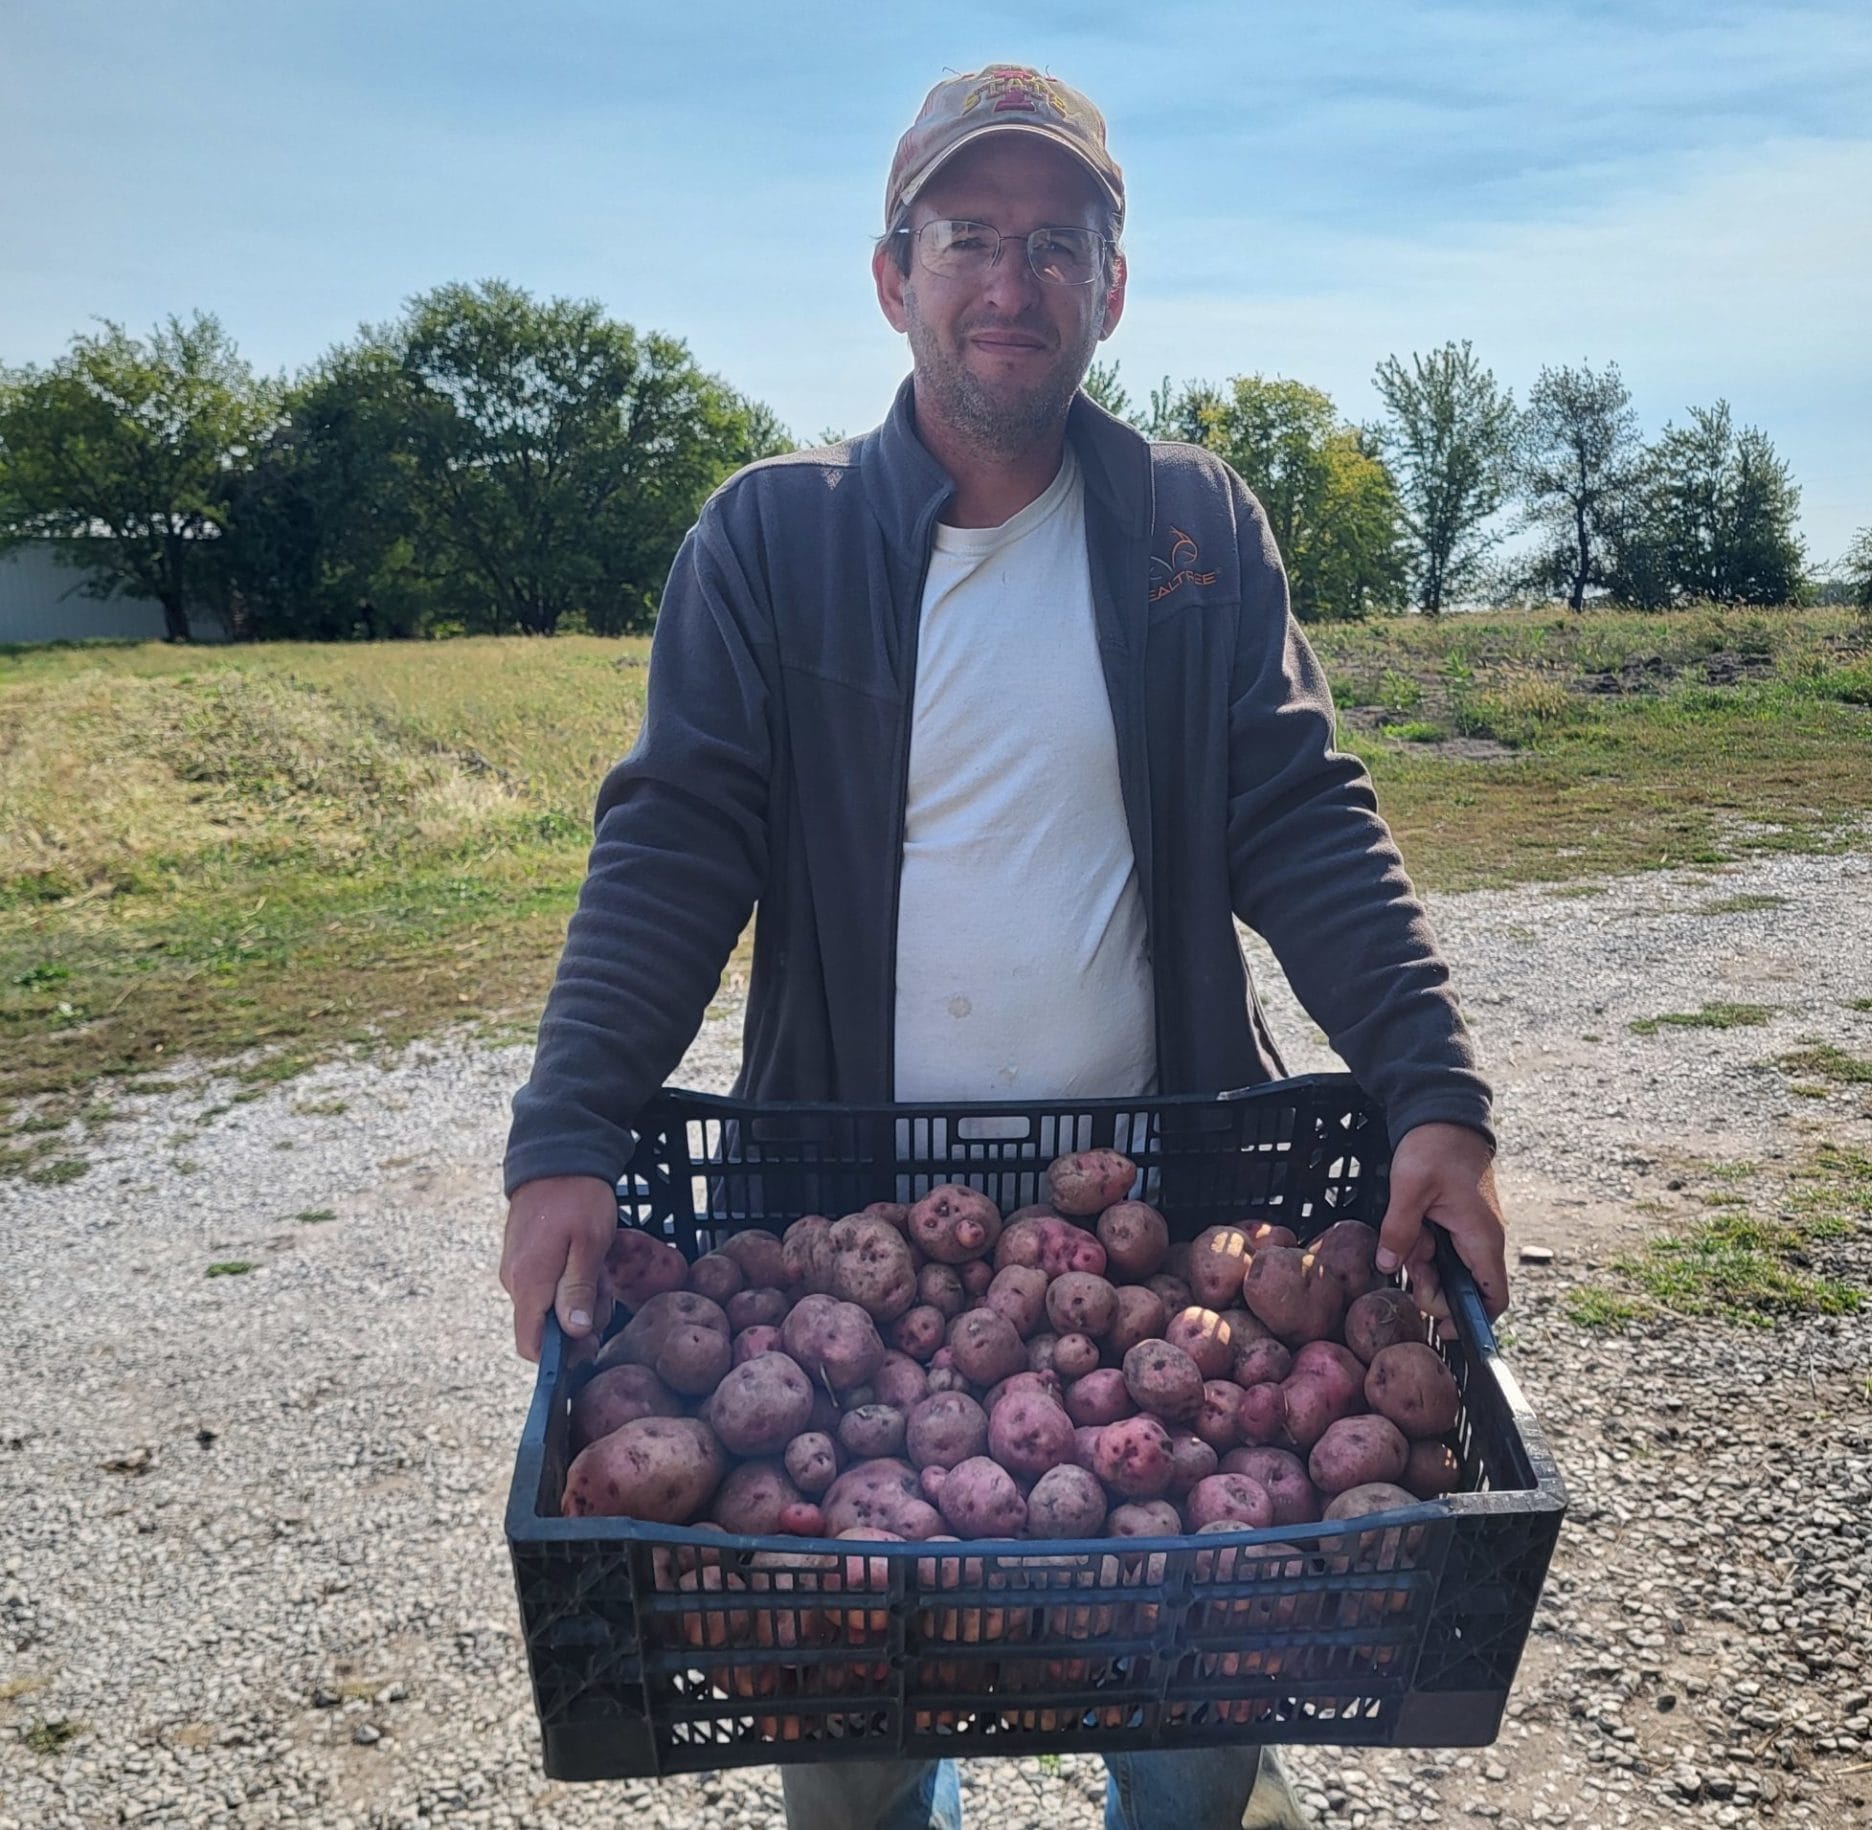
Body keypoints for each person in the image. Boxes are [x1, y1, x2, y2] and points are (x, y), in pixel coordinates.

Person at [499, 62, 1510, 1830]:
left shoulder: (1196, 525)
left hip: (1172, 1218)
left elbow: (1303, 810)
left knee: (1204, 1699)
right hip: (850, 1221)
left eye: (1060, 241)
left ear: (1114, 285)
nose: (1012, 279)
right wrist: (568, 1128)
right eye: (969, 234)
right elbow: (673, 838)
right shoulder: (773, 538)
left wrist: (1434, 1085)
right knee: (859, 1726)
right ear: (892, 275)